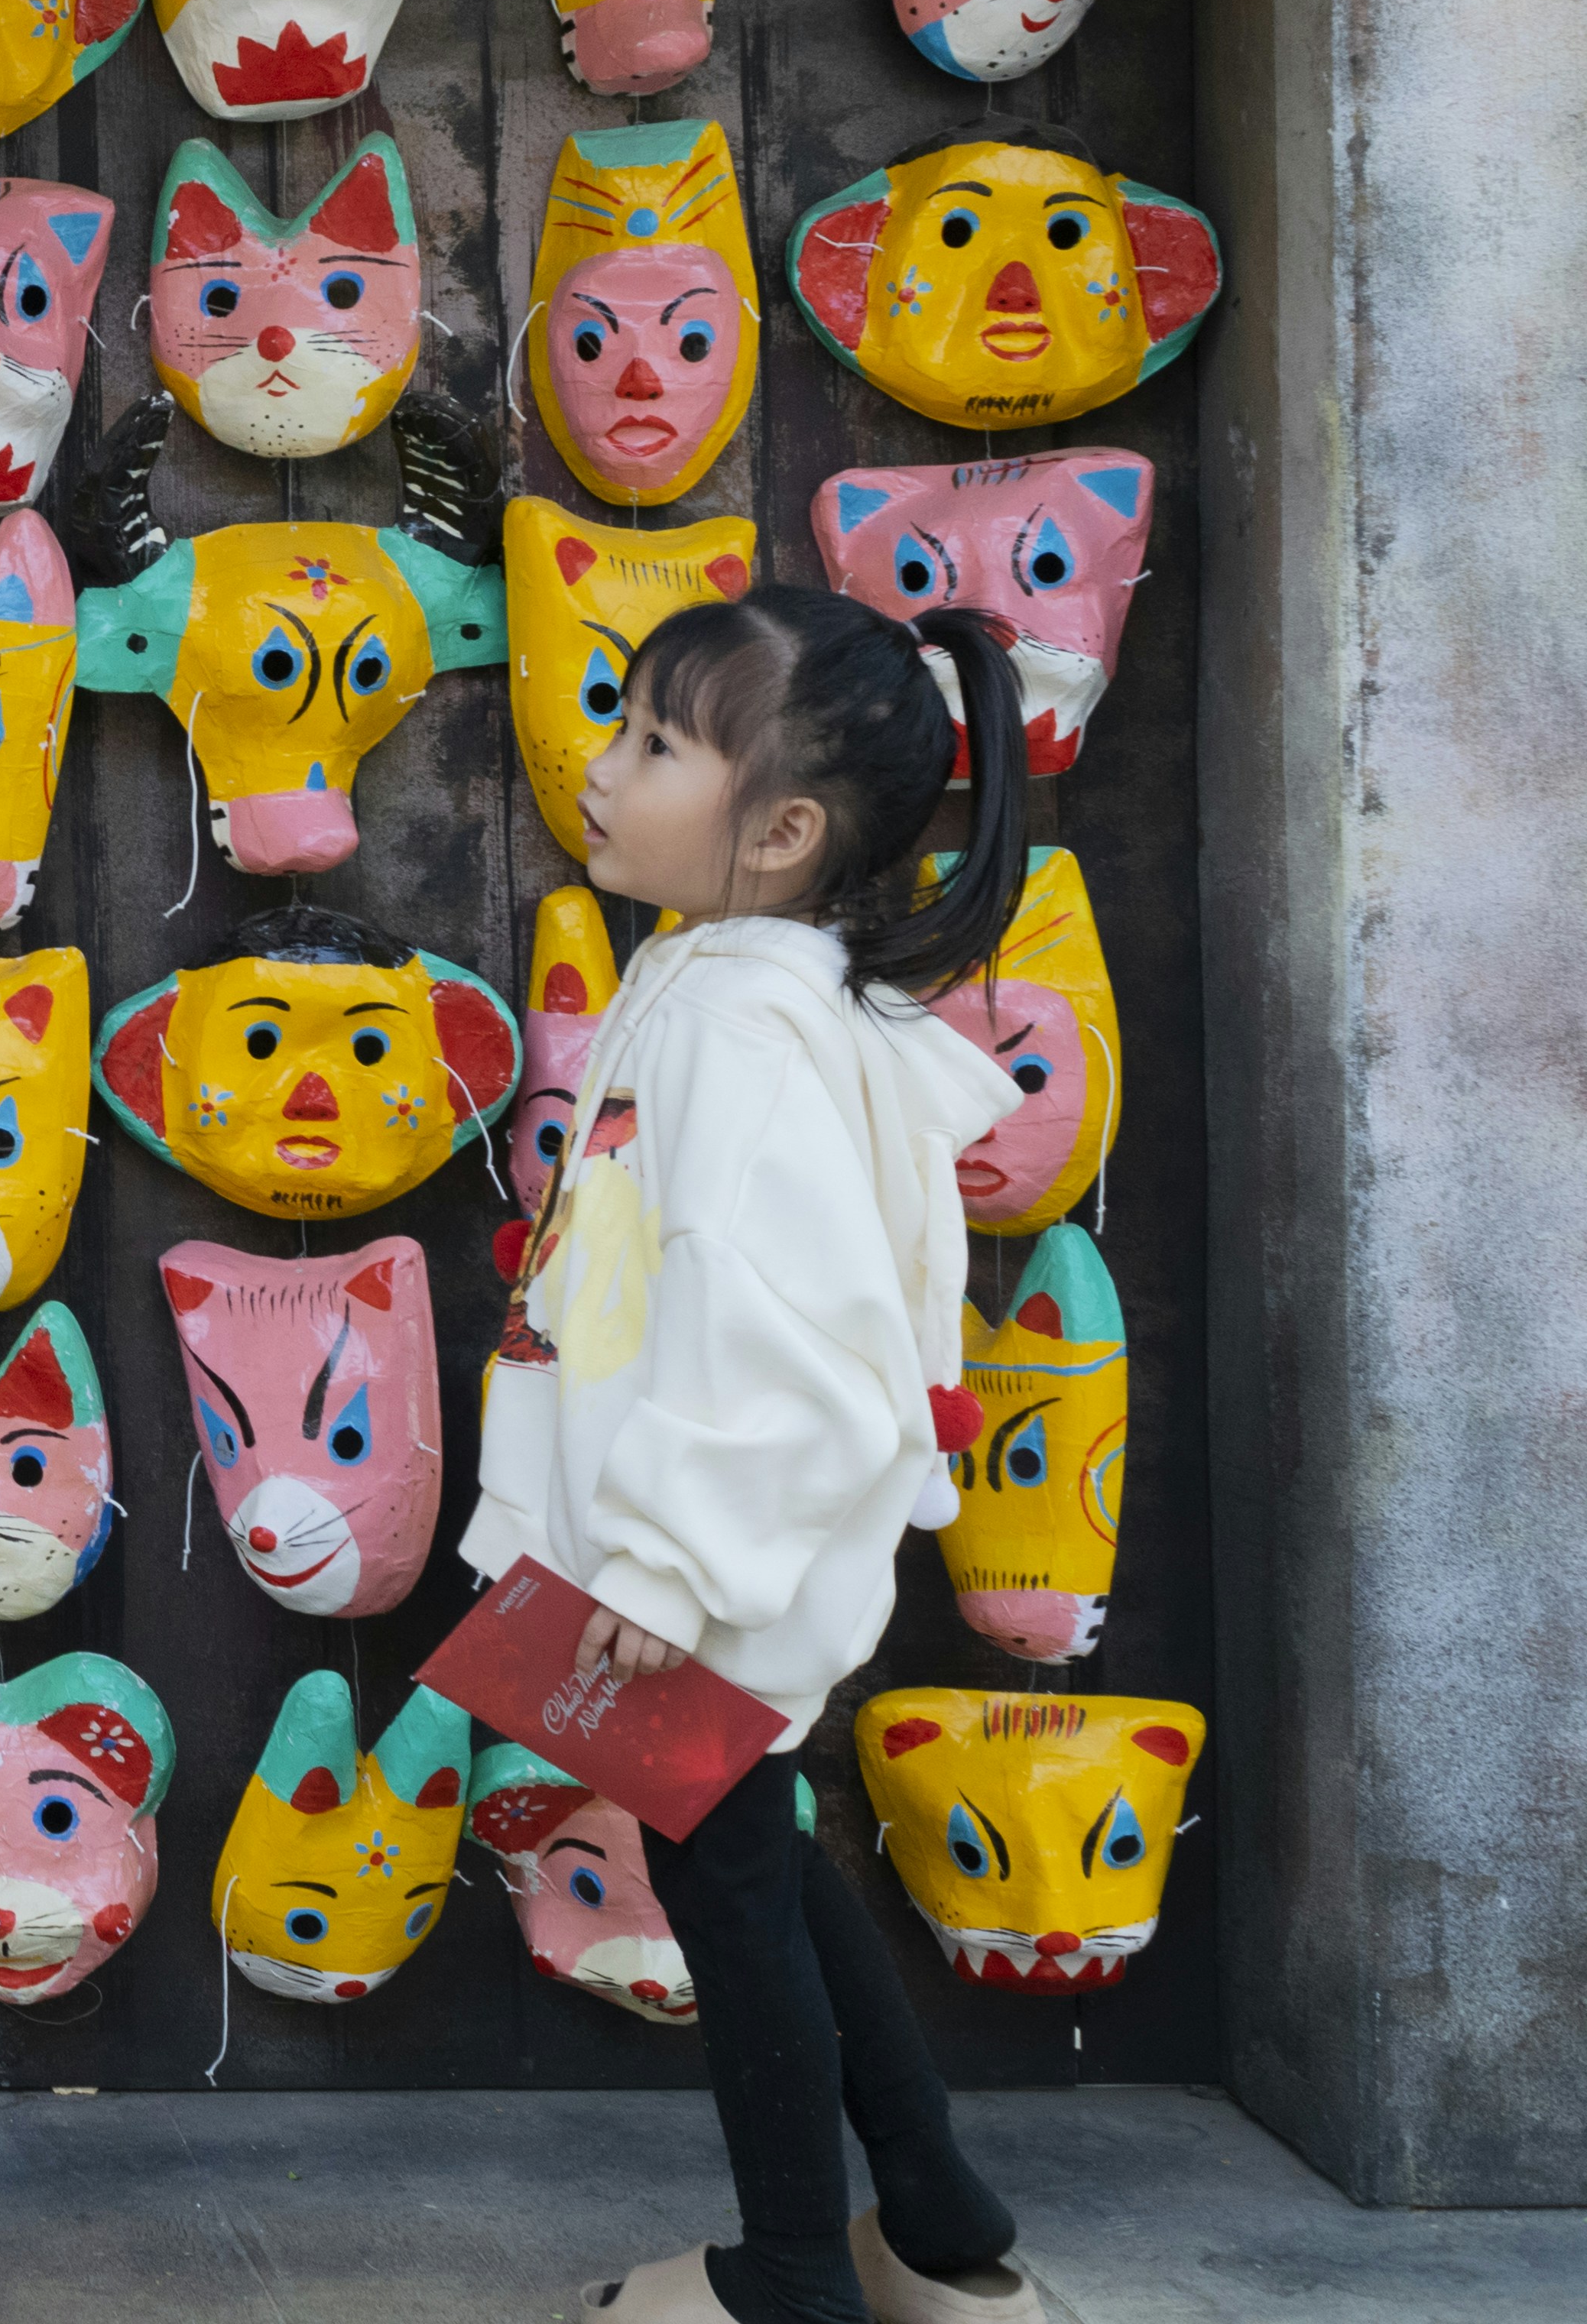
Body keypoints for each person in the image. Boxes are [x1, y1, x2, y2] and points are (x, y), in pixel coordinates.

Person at [469, 583, 1052, 2324]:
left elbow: (780, 1318)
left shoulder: (739, 1021)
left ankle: (794, 2268)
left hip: (707, 1554)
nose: (606, 759)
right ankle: (940, 2213)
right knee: (754, 1846)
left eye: (656, 740)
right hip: (709, 1545)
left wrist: (663, 1554)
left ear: (783, 829)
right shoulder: (735, 978)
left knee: (726, 1884)